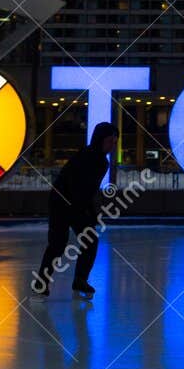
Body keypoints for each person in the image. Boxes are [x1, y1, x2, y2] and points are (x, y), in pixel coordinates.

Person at [32, 122, 117, 299]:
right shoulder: (86, 156)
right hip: (61, 202)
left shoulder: (102, 162)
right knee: (57, 244)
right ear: (100, 139)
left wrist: (90, 212)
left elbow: (90, 190)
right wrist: (86, 211)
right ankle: (41, 282)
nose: (112, 146)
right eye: (110, 141)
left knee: (90, 241)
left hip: (76, 204)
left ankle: (80, 280)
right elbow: (76, 185)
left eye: (115, 142)